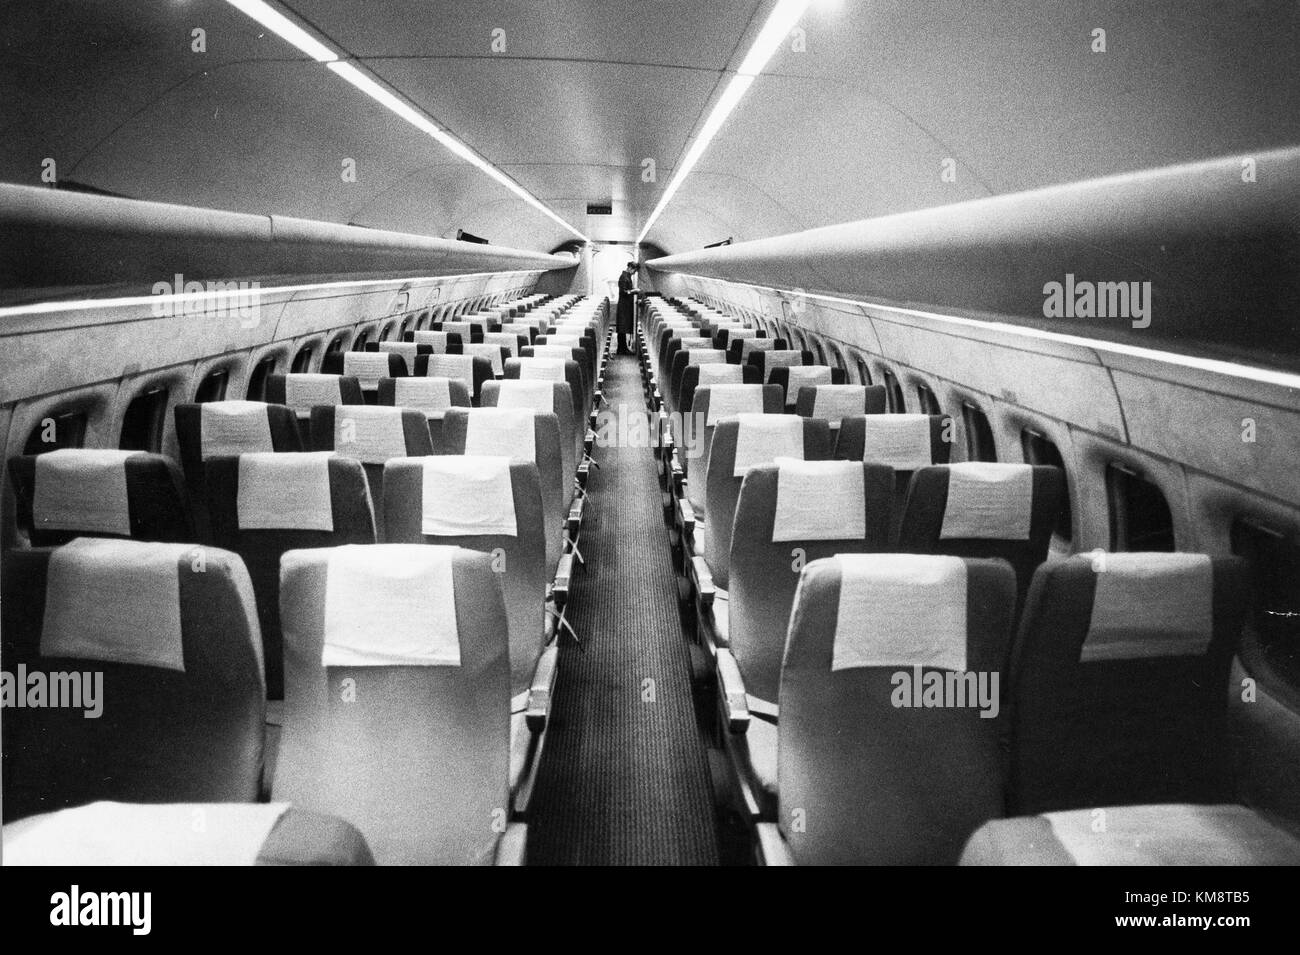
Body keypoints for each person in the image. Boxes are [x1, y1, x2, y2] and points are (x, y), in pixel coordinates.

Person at [616, 261, 639, 355]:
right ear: (630, 268)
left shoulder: (627, 277)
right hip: (623, 305)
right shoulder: (624, 277)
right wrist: (634, 291)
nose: (634, 273)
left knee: (623, 328)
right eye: (634, 270)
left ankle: (623, 348)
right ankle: (621, 349)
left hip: (625, 305)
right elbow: (623, 292)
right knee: (622, 328)